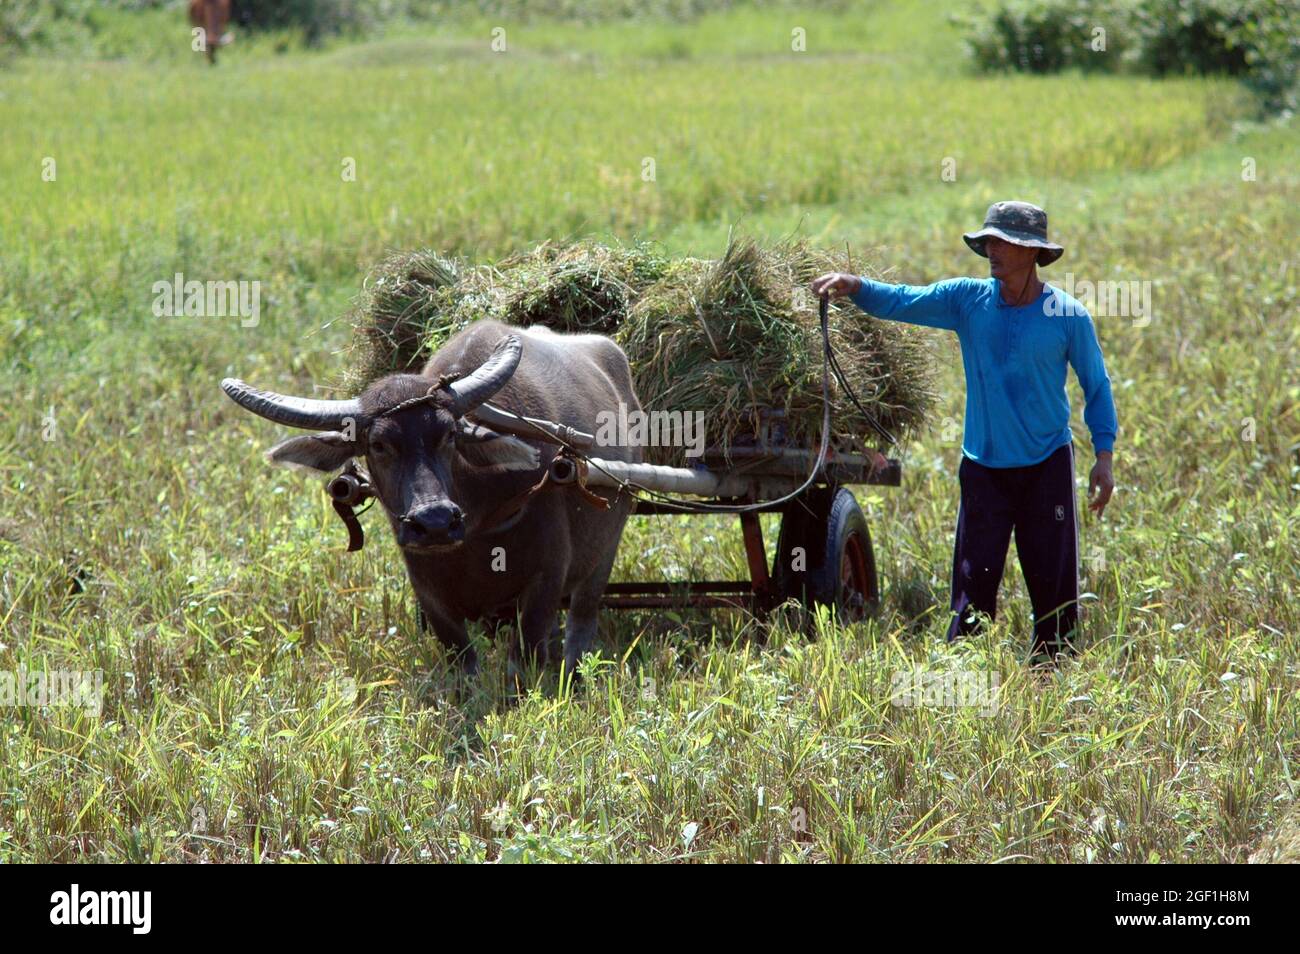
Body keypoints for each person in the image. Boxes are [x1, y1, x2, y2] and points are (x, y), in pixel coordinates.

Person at [812, 200, 1117, 662]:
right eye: (989, 241)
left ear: (1031, 252)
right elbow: (903, 299)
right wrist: (855, 286)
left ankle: (1053, 670)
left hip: (1046, 466)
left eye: (1003, 242)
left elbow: (1097, 386)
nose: (991, 249)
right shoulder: (966, 300)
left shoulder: (1066, 315)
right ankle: (965, 671)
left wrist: (1105, 456)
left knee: (1052, 582)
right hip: (984, 469)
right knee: (973, 579)